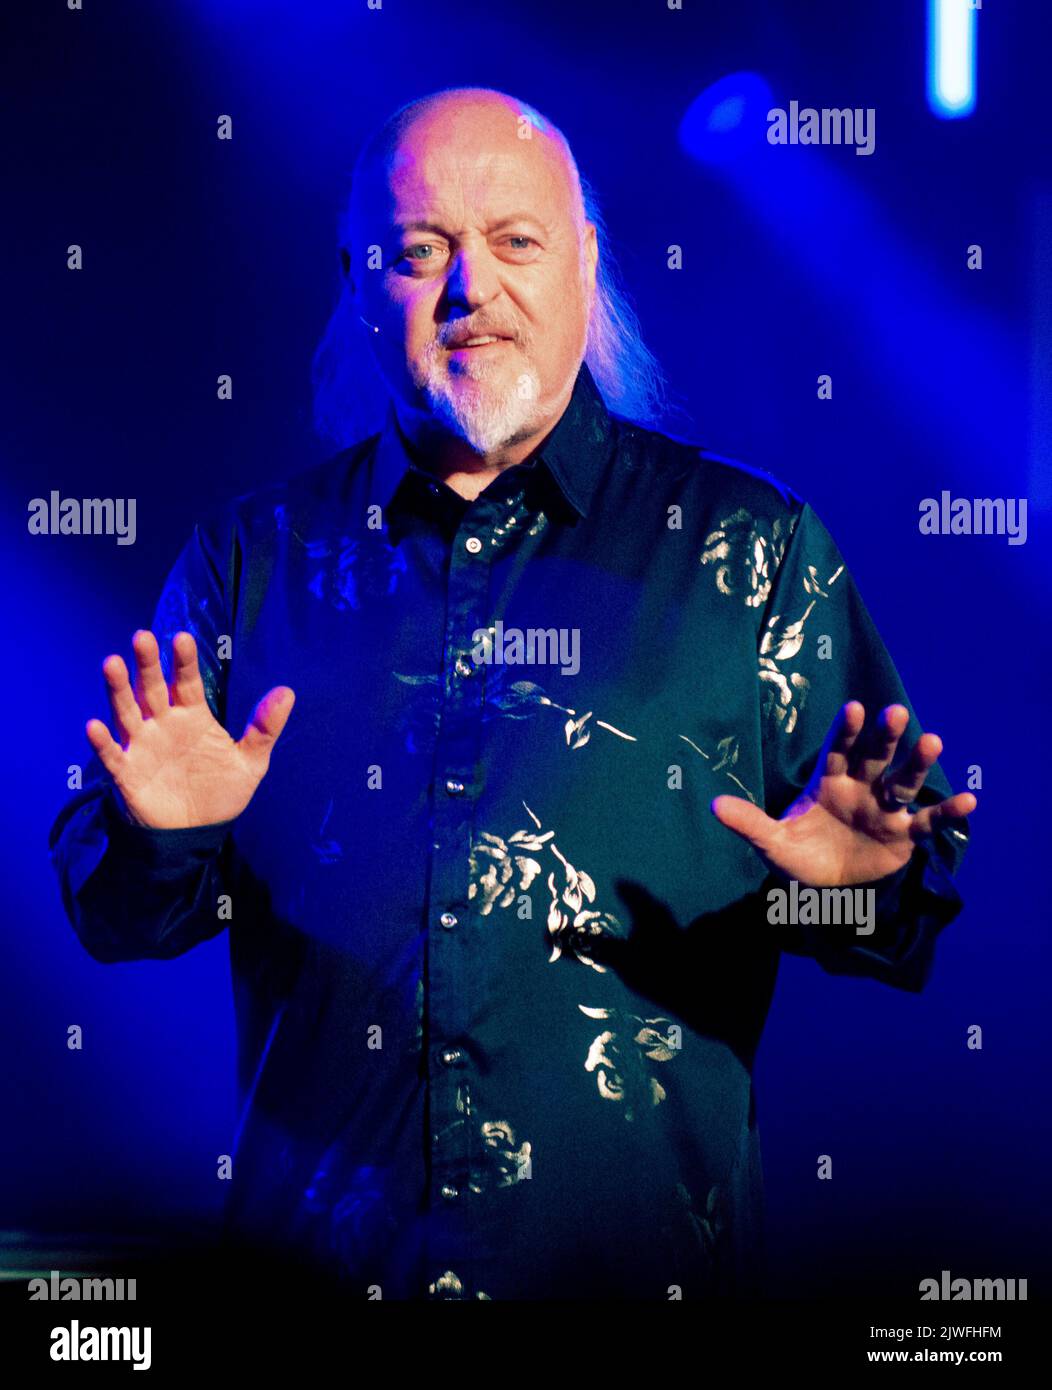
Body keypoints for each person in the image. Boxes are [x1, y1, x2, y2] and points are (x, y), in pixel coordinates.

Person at [49, 86, 975, 1301]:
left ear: (585, 263)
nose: (465, 286)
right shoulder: (248, 563)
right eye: (416, 250)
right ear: (355, 279)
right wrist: (163, 842)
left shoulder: (749, 552)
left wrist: (864, 893)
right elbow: (118, 919)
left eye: (513, 241)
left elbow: (899, 927)